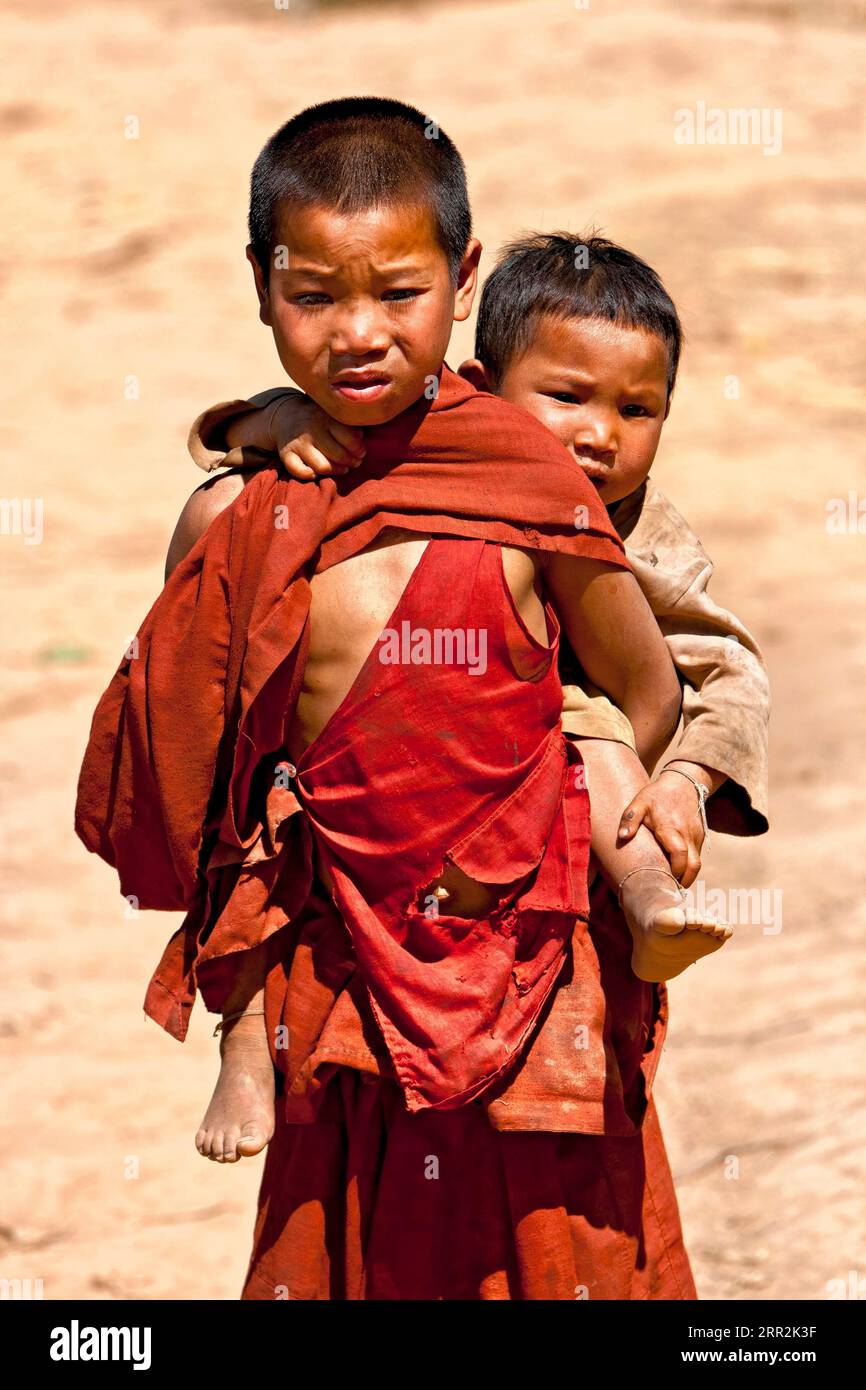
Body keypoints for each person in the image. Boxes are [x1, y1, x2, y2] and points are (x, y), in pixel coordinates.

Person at [76, 99, 725, 1300]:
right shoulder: (234, 515)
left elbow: (640, 687)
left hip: (530, 962)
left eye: (398, 294)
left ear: (463, 279)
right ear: (260, 288)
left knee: (553, 1256)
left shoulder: (524, 476)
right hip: (337, 981)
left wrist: (558, 823)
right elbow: (197, 756)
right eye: (313, 297)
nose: (356, 334)